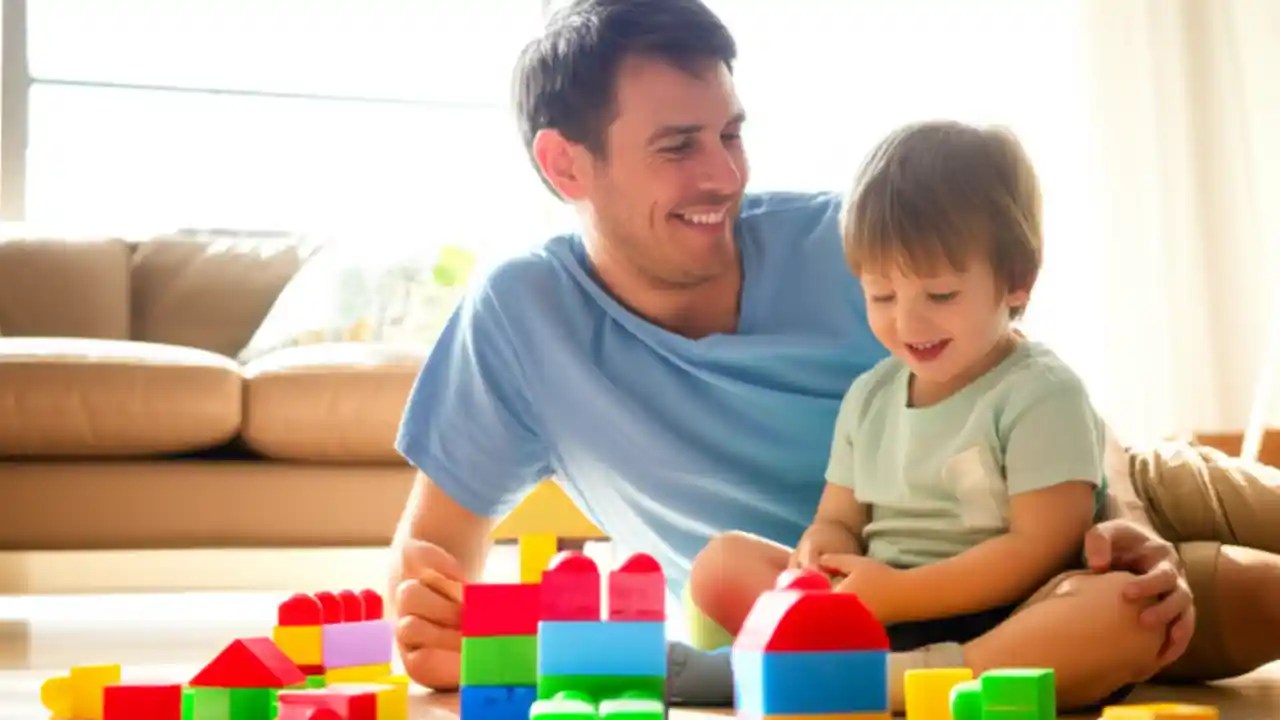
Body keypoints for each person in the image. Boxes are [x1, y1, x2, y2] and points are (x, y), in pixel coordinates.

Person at [387, 0, 1280, 712]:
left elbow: (1033, 386)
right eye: (679, 146)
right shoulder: (520, 320)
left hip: (1103, 498)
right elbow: (430, 552)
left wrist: (1133, 525)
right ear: (566, 165)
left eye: (730, 134)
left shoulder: (843, 241)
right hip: (930, 612)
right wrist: (428, 616)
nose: (725, 175)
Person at [687, 119, 1147, 709]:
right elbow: (839, 517)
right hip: (876, 612)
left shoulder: (1042, 392)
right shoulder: (869, 397)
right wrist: (822, 548)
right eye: (881, 295)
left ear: (1016, 282)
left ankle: (866, 679)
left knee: (1125, 609)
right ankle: (841, 668)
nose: (908, 322)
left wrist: (903, 593)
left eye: (941, 295)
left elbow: (1042, 547)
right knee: (722, 563)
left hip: (1008, 621)